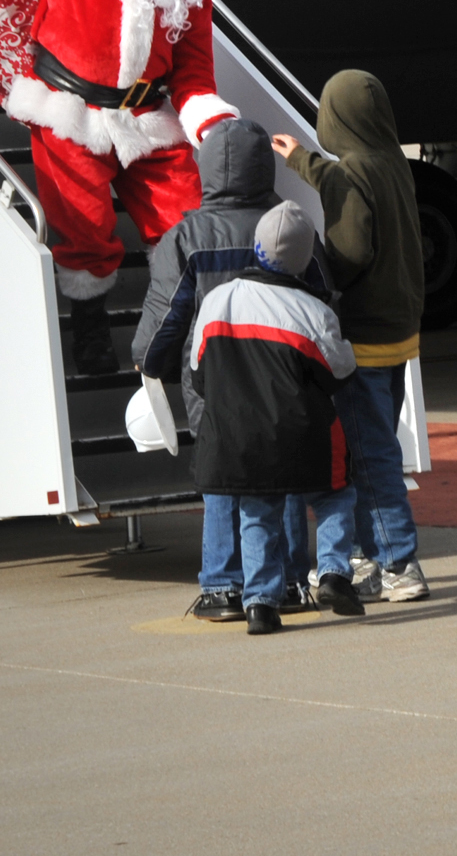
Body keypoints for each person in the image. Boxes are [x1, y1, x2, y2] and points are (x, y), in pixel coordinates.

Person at [0, 0, 238, 372]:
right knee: (85, 227)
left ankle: (182, 327)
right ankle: (90, 324)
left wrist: (209, 122)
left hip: (146, 116)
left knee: (186, 216)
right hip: (70, 112)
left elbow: (194, 72)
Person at [132, 118, 355, 621]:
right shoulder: (288, 223)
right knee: (288, 476)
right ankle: (292, 580)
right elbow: (322, 298)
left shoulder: (186, 235)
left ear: (205, 167)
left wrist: (151, 360)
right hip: (287, 376)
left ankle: (224, 586)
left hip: (216, 376)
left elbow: (167, 313)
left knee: (223, 478)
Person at [273, 71, 431, 602]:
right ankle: (374, 555)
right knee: (381, 444)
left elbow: (350, 249)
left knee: (369, 456)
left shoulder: (351, 174)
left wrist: (318, 283)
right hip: (400, 331)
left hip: (361, 337)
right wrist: (303, 160)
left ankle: (397, 563)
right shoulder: (392, 164)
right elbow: (348, 184)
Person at [187, 202, 360, 635]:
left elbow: (198, 372)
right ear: (303, 261)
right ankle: (335, 572)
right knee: (335, 494)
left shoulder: (217, 300)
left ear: (257, 248)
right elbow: (339, 373)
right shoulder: (313, 312)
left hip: (237, 437)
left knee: (256, 512)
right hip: (300, 434)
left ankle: (260, 604)